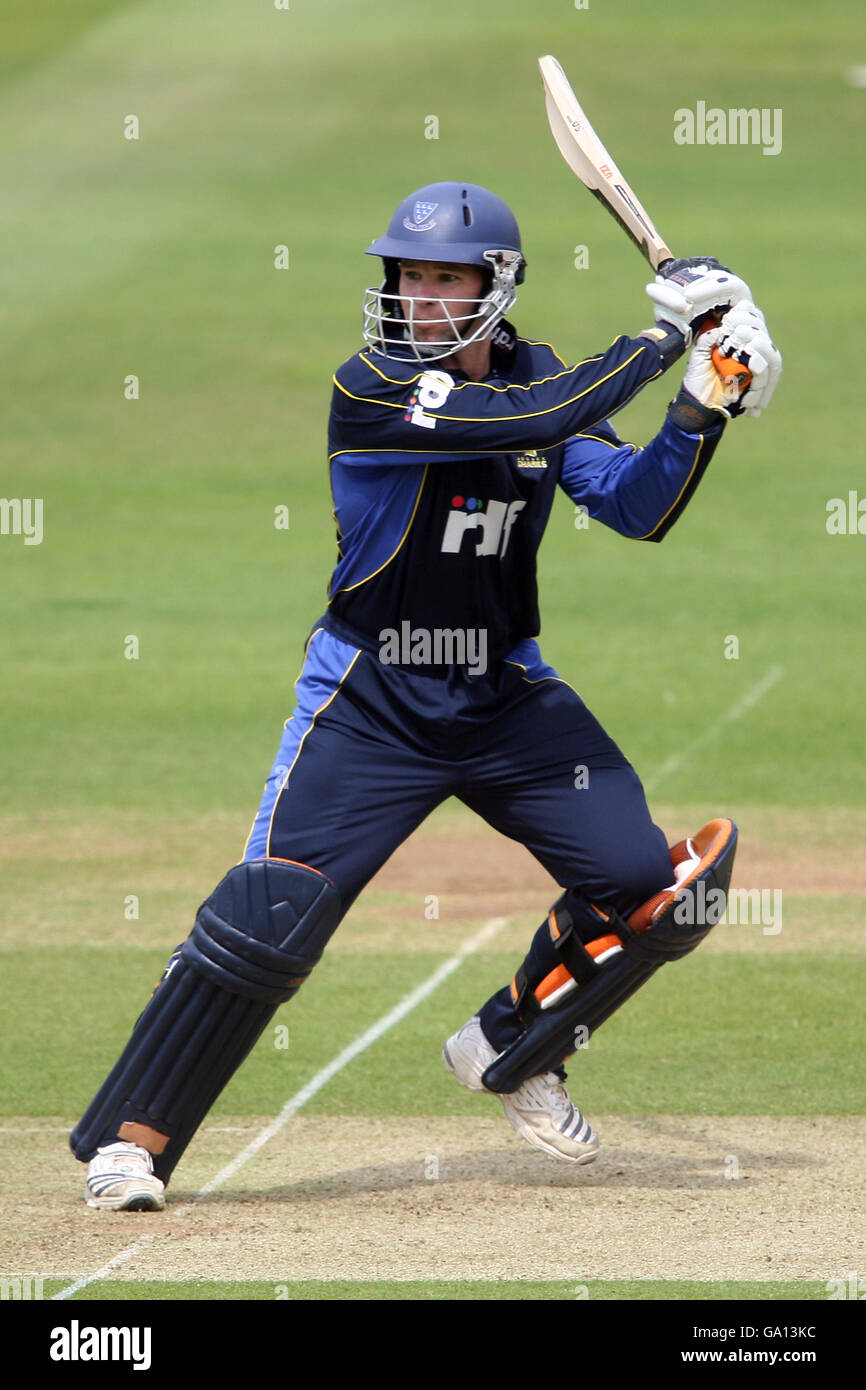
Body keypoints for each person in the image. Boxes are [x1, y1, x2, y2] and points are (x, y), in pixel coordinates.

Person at [72, 181, 781, 1210]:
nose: (416, 296)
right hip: (370, 698)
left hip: (501, 694)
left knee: (654, 884)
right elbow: (533, 413)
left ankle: (510, 1044)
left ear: (495, 283)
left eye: (441, 277)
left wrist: (702, 406)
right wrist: (665, 336)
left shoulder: (539, 375)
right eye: (404, 276)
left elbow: (634, 507)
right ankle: (130, 1145)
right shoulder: (373, 387)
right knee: (268, 915)